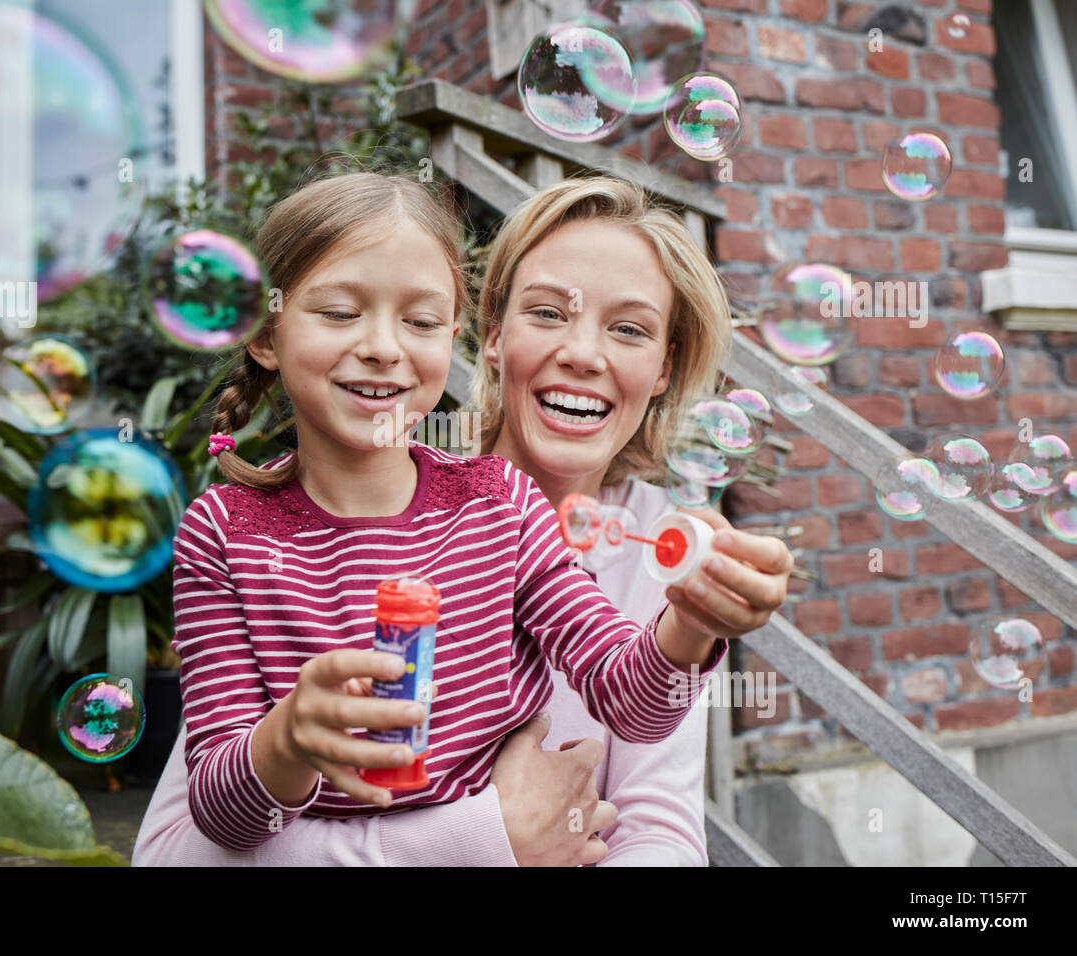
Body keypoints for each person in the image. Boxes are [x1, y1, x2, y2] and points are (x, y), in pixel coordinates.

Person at [133, 173, 793, 865]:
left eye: (417, 321)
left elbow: (633, 711)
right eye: (547, 313)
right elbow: (214, 825)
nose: (383, 346)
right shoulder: (228, 534)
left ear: (447, 338)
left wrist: (690, 622)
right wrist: (289, 741)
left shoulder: (503, 506)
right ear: (491, 336)